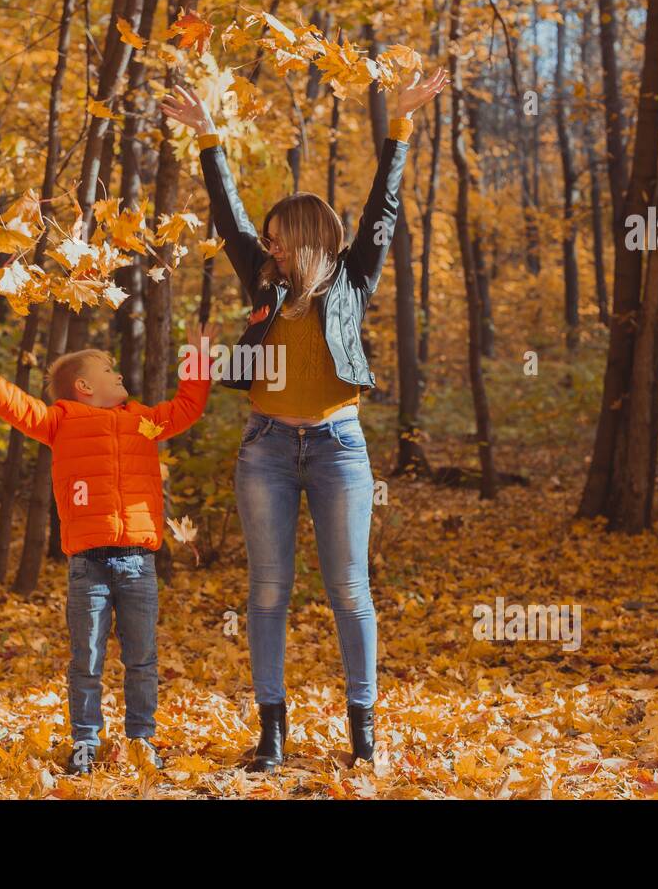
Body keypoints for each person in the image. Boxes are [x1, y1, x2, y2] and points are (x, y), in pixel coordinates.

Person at [159, 67, 448, 770]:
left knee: (349, 589)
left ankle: (363, 730)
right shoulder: (263, 280)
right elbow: (228, 214)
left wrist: (400, 126)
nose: (270, 246)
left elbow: (384, 206)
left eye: (281, 237)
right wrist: (208, 138)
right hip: (264, 448)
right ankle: (273, 731)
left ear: (312, 236)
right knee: (267, 591)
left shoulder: (353, 278)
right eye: (268, 240)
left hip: (338, 447)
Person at [0, 321, 215, 774]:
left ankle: (142, 739)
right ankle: (86, 743)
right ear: (84, 387)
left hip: (138, 563)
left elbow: (188, 406)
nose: (119, 375)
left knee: (142, 659)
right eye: (109, 370)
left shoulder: (144, 421)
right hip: (87, 567)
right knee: (87, 660)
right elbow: (12, 402)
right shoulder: (61, 421)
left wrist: (199, 357)